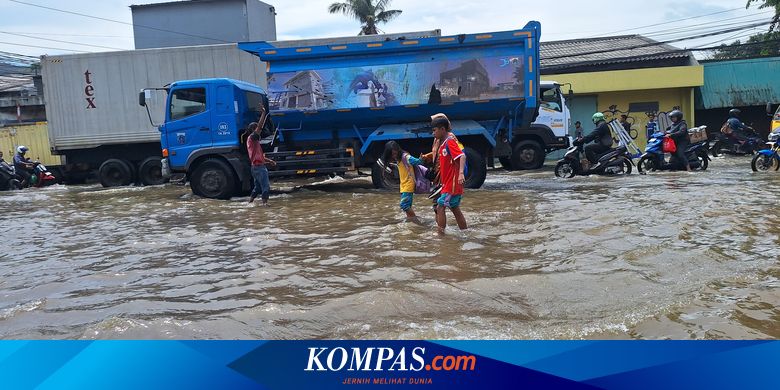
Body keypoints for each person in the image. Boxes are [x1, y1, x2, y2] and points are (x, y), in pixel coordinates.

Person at [431, 113, 467, 234]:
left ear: (442, 129)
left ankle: (441, 235)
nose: (433, 133)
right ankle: (465, 232)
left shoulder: (449, 141)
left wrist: (461, 173)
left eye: (434, 130)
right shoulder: (442, 143)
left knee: (440, 206)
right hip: (448, 184)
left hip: (452, 184)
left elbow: (462, 156)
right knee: (455, 208)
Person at [381, 140, 425, 221]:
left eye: (395, 153)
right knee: (408, 205)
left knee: (404, 205)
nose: (394, 156)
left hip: (409, 184)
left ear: (398, 150)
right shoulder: (398, 158)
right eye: (392, 154)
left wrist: (421, 159)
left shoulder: (405, 157)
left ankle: (416, 221)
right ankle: (411, 221)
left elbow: (418, 161)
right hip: (403, 185)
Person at [246, 107, 277, 206]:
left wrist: (270, 161)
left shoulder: (253, 142)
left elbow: (260, 156)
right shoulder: (252, 138)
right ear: (253, 130)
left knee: (258, 187)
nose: (259, 131)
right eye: (257, 129)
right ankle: (265, 204)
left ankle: (250, 202)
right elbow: (260, 127)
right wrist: (263, 113)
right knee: (266, 186)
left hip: (255, 166)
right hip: (259, 167)